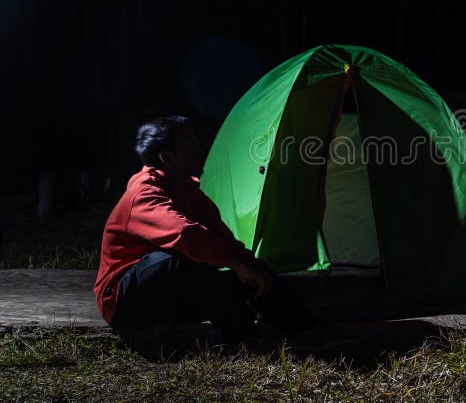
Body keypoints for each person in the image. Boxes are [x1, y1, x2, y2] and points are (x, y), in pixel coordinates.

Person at [93, 115, 320, 343]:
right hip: (123, 303)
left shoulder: (189, 192)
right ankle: (245, 339)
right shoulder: (145, 192)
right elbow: (184, 234)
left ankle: (305, 329)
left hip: (168, 298)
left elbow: (225, 242)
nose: (200, 150)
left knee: (250, 272)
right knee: (181, 258)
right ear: (167, 157)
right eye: (190, 145)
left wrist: (251, 267)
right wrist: (234, 264)